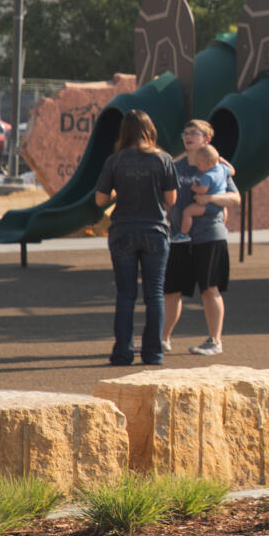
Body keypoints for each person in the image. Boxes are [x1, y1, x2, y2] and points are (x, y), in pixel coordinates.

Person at [93, 110, 176, 366]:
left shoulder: (115, 161)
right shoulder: (163, 159)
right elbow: (171, 199)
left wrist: (120, 192)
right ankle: (153, 353)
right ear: (150, 130)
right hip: (155, 230)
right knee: (155, 294)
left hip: (123, 230)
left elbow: (100, 199)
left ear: (124, 132)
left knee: (126, 294)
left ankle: (122, 353)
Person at [163, 120, 238, 356]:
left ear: (206, 139)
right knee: (171, 291)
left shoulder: (216, 166)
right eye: (185, 133)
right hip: (179, 238)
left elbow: (235, 199)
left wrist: (211, 200)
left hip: (209, 236)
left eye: (194, 133)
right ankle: (161, 339)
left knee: (209, 289)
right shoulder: (176, 166)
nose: (188, 136)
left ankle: (214, 341)